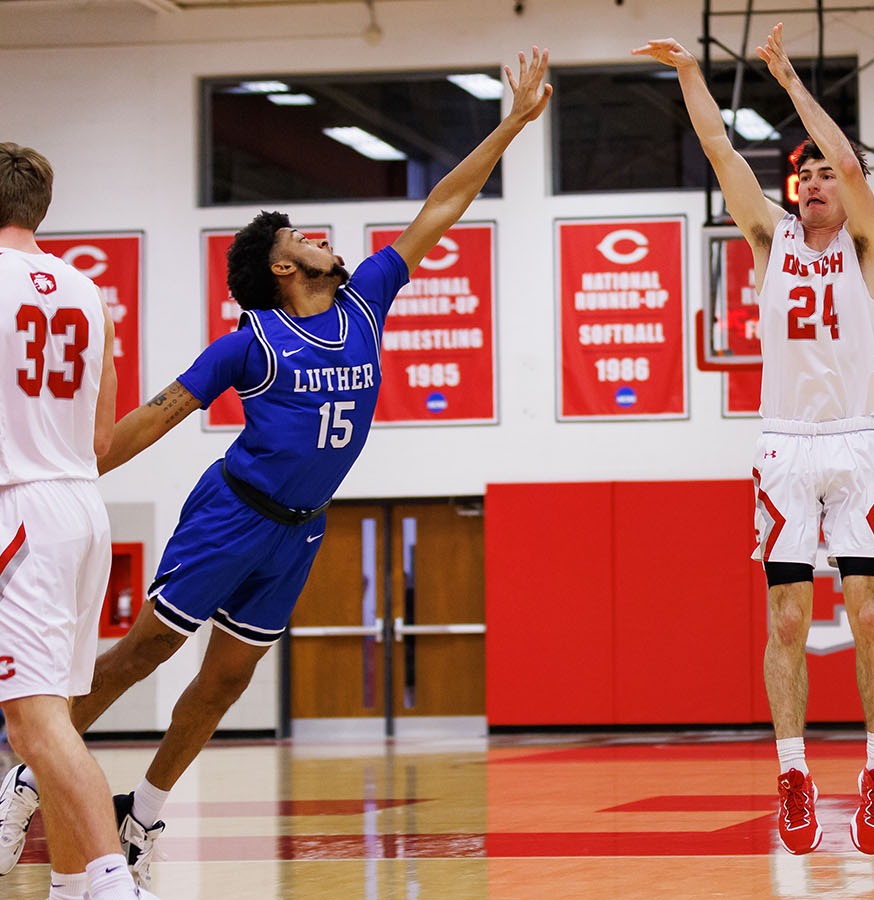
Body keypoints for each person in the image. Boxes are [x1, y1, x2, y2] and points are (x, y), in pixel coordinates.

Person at [0, 46, 554, 890]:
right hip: (234, 509)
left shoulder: (367, 300)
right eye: (304, 236)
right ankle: (25, 780)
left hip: (301, 530)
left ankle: (142, 815)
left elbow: (444, 203)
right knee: (143, 651)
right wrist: (77, 469)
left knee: (225, 681)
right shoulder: (250, 342)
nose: (324, 238)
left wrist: (510, 125)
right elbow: (154, 415)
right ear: (282, 268)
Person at [634, 23, 874, 856]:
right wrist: (688, 73)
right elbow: (718, 147)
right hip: (784, 446)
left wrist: (786, 78)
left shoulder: (867, 244)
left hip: (855, 445)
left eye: (827, 170)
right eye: (807, 173)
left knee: (868, 612)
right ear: (793, 192)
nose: (819, 179)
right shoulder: (769, 239)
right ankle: (792, 772)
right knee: (786, 622)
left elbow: (854, 166)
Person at [0, 142, 154, 900]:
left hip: (18, 508)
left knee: (34, 725)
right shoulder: (88, 291)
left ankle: (110, 881)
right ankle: (69, 884)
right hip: (80, 507)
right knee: (48, 718)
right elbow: (100, 438)